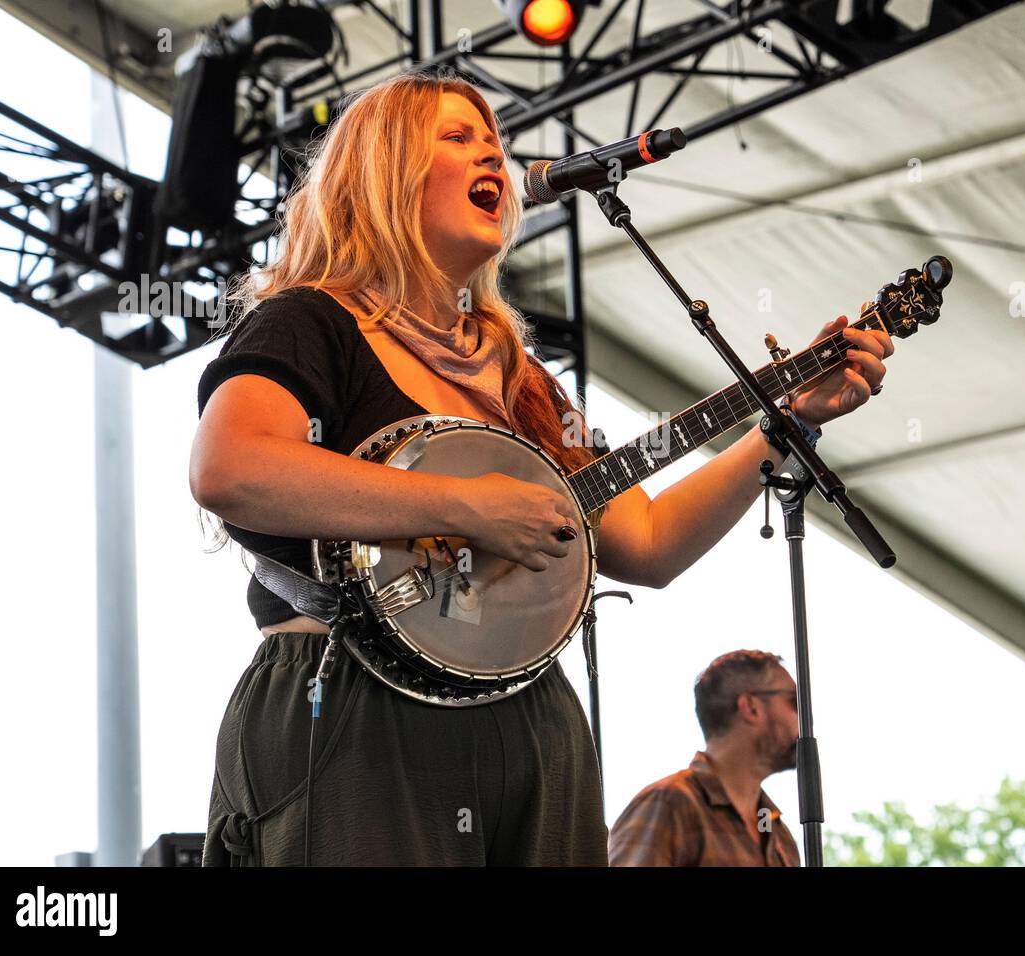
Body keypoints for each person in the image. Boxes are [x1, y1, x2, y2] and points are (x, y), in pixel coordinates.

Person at [189, 69, 892, 866]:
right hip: (350, 700)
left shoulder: (522, 380)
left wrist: (784, 425)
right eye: (459, 139)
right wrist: (464, 507)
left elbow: (646, 540)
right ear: (382, 172)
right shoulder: (311, 322)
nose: (492, 156)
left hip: (528, 713)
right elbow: (232, 468)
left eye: (495, 142)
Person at [608, 650, 802, 866]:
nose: (804, 716)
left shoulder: (776, 830)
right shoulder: (668, 805)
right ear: (751, 707)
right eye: (794, 701)